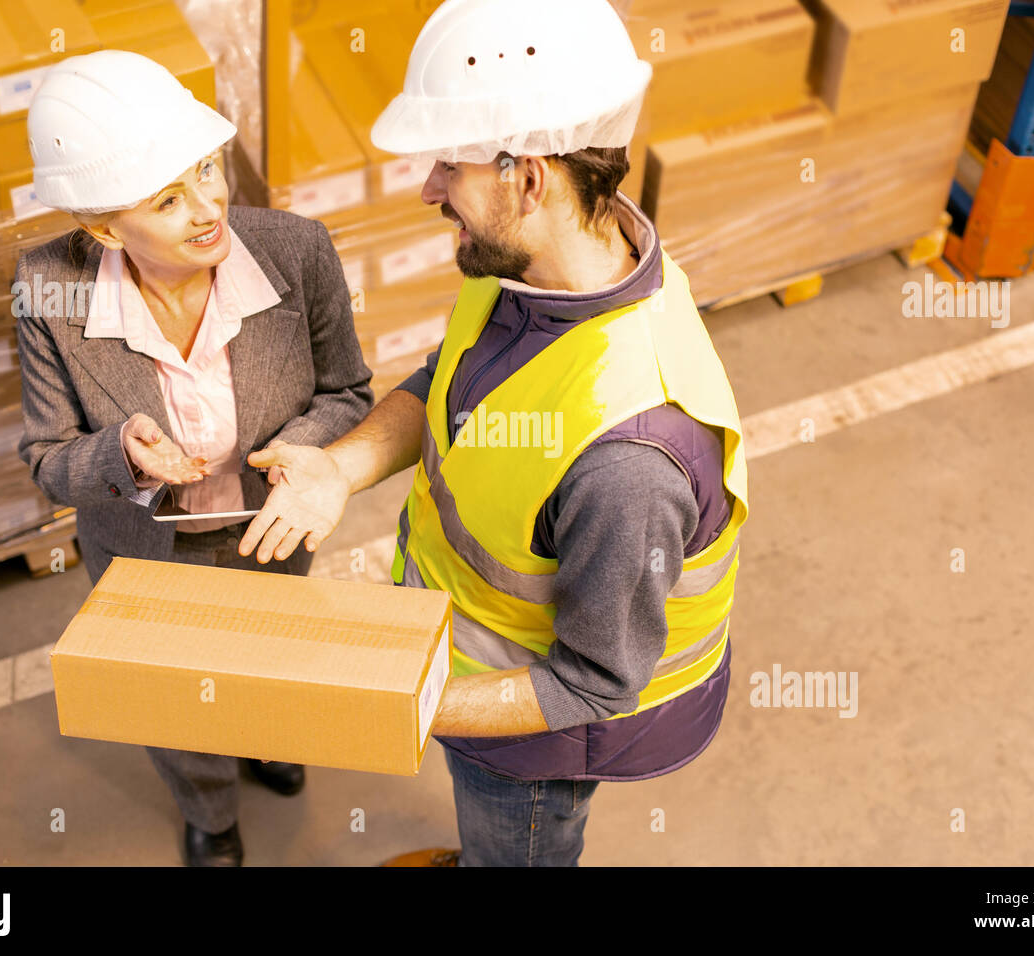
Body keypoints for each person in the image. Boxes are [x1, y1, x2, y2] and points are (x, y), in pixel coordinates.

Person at [241, 0, 751, 867]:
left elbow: (590, 684)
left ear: (528, 177)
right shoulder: (543, 271)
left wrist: (395, 695)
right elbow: (450, 381)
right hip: (466, 658)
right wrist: (339, 468)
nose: (430, 189)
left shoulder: (630, 461)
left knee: (511, 846)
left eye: (451, 164)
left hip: (535, 739)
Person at [13, 50, 373, 866]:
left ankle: (274, 741)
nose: (208, 206)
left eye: (206, 170)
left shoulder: (297, 251)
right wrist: (122, 458)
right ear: (102, 227)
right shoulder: (49, 290)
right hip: (145, 553)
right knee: (180, 704)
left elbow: (349, 393)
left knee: (277, 665)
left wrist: (304, 451)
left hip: (270, 532)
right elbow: (46, 456)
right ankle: (211, 815)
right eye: (168, 198)